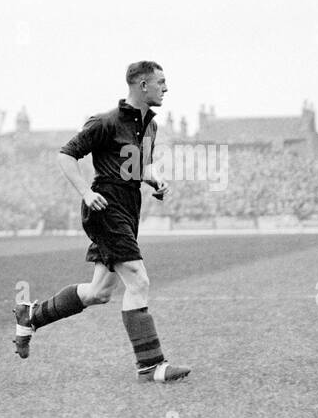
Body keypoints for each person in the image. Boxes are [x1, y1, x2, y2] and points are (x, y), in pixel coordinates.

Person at [12, 61, 190, 383]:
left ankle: (31, 316)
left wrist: (155, 181)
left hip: (128, 206)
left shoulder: (150, 125)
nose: (166, 88)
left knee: (99, 292)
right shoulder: (105, 122)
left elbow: (140, 167)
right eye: (161, 82)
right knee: (138, 280)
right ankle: (151, 365)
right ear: (141, 85)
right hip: (105, 206)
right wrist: (85, 192)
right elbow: (66, 155)